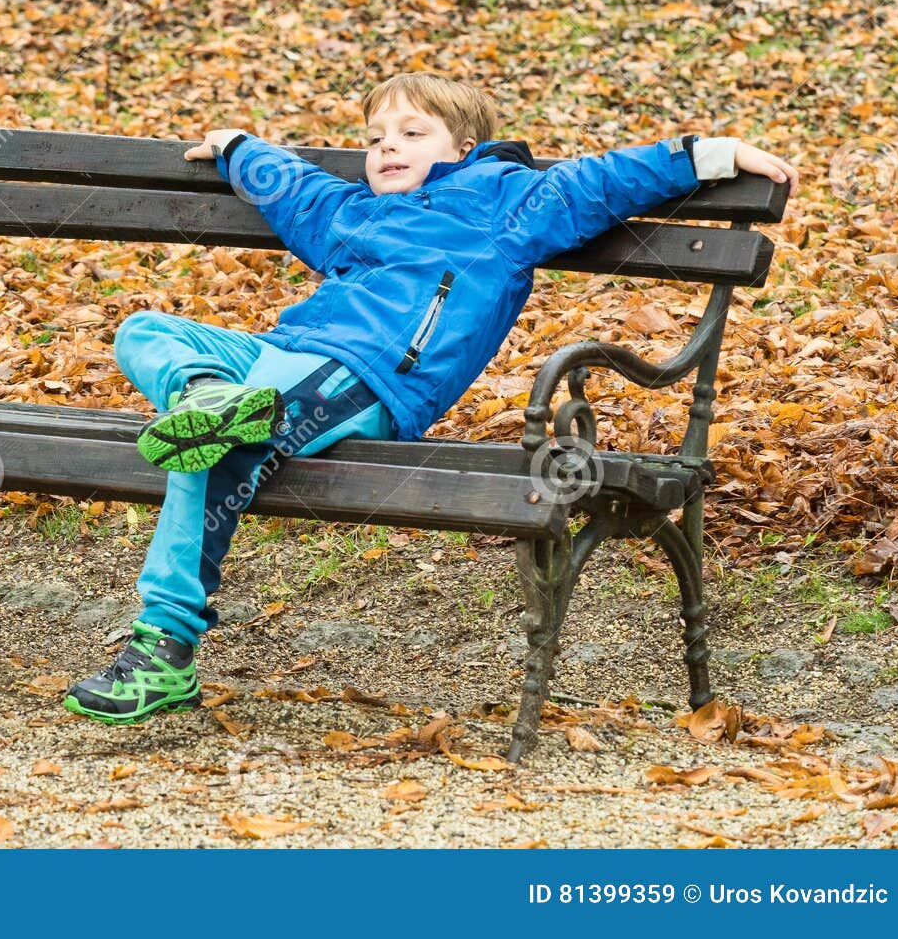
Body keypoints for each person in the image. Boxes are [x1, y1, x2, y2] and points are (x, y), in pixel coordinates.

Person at [64, 71, 799, 725]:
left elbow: (598, 184)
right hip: (276, 359)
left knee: (211, 451)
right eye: (375, 137)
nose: (387, 146)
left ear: (463, 147)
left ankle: (164, 647)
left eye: (412, 132)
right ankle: (208, 395)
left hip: (366, 379)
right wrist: (237, 148)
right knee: (145, 330)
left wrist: (710, 154)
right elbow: (297, 191)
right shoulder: (354, 212)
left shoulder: (503, 202)